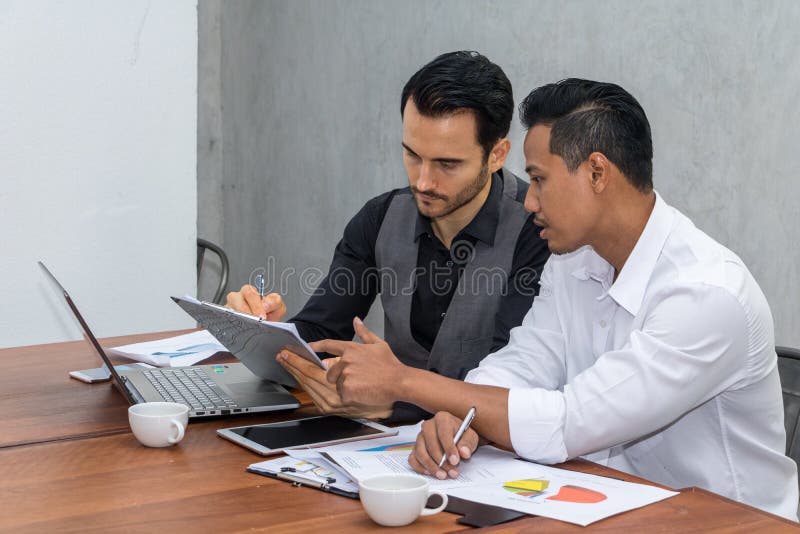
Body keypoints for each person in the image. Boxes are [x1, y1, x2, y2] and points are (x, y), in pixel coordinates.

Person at [311, 79, 799, 519]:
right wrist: (459, 419)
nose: (528, 201)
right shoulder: (573, 261)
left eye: (539, 179)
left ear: (597, 173)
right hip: (614, 506)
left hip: (726, 523)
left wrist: (405, 382)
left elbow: (568, 421)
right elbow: (524, 362)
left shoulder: (706, 294)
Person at [225, 51, 549, 421]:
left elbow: (516, 378)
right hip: (387, 446)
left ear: (497, 155)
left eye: (447, 164)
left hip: (491, 449)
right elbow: (321, 332)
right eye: (412, 155)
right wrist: (264, 334)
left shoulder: (539, 229)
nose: (422, 182)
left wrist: (395, 400)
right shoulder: (380, 218)